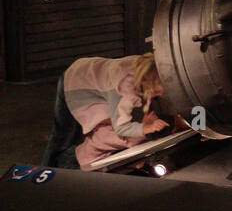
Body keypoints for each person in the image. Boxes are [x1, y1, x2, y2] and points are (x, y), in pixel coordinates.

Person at [42, 53, 172, 171]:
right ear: (148, 82)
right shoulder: (123, 87)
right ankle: (44, 175)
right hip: (75, 81)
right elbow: (121, 128)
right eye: (157, 91)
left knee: (92, 135)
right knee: (62, 136)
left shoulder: (144, 67)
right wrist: (145, 128)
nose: (160, 94)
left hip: (89, 73)